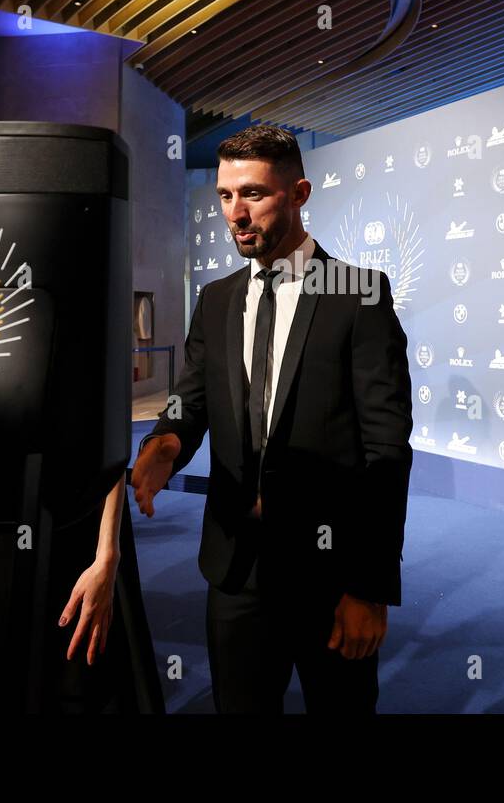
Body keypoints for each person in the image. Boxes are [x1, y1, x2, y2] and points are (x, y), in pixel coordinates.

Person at [97, 123, 412, 713]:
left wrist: (369, 587)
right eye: (224, 195)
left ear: (299, 193)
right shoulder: (215, 300)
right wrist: (166, 442)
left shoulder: (361, 295)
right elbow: (188, 402)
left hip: (331, 575)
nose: (235, 214)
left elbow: (387, 451)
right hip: (234, 569)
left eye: (254, 194)